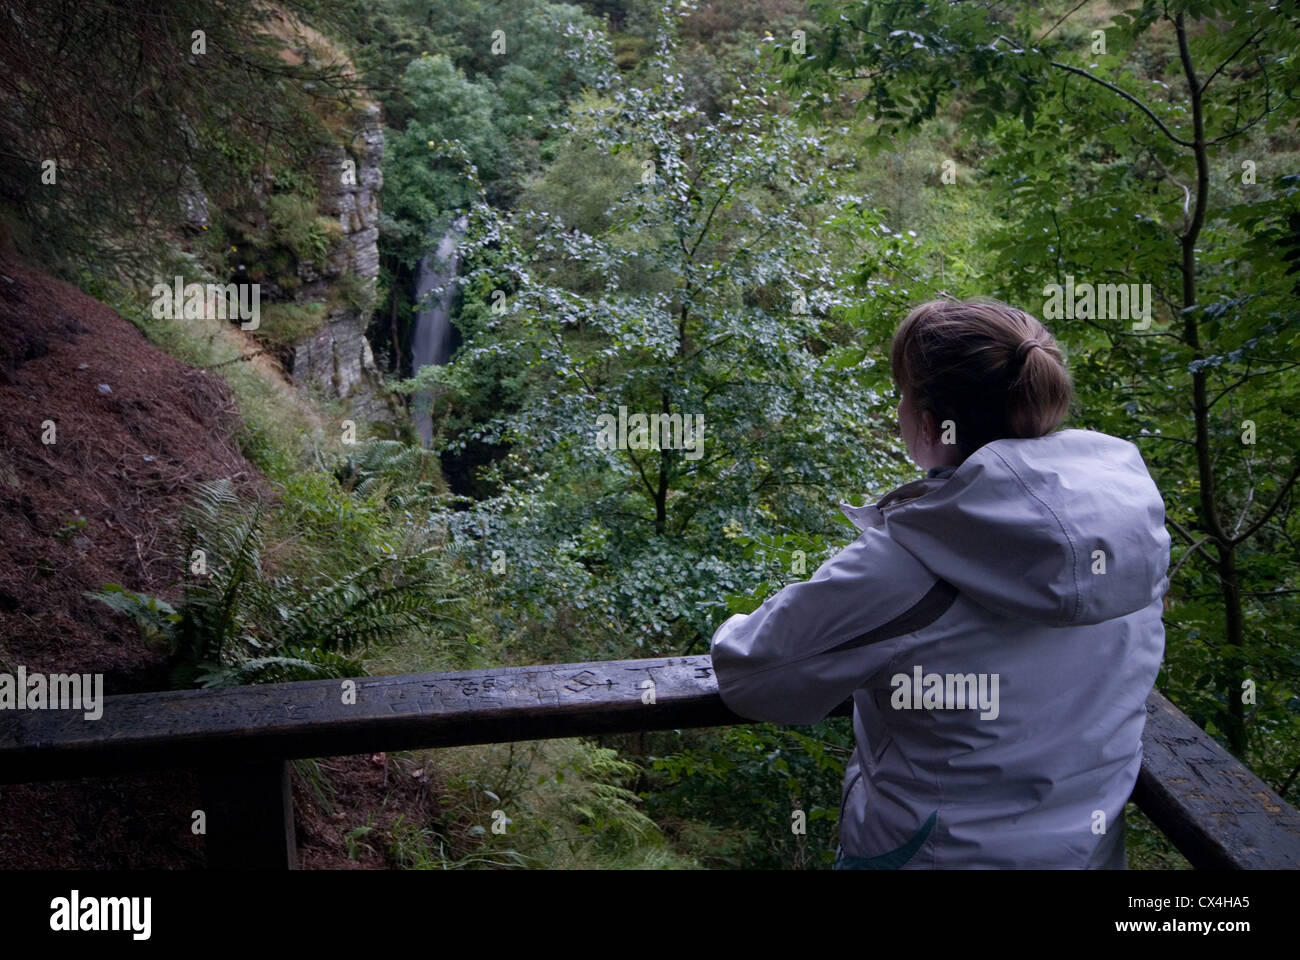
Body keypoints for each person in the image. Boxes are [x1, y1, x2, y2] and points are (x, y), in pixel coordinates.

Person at [710, 299, 1170, 868]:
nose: (898, 407)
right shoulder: (1129, 530)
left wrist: (737, 622)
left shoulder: (908, 563)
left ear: (928, 422)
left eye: (902, 393)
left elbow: (754, 674)